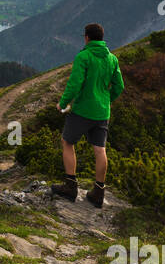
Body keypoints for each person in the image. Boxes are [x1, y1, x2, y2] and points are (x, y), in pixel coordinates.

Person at [52, 22, 124, 206]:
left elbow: (74, 84)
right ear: (102, 37)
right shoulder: (112, 59)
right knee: (100, 150)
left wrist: (63, 103)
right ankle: (99, 192)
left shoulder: (83, 56)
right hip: (102, 111)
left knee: (67, 142)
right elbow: (119, 86)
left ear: (87, 37)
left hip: (83, 109)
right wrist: (107, 100)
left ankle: (71, 186)